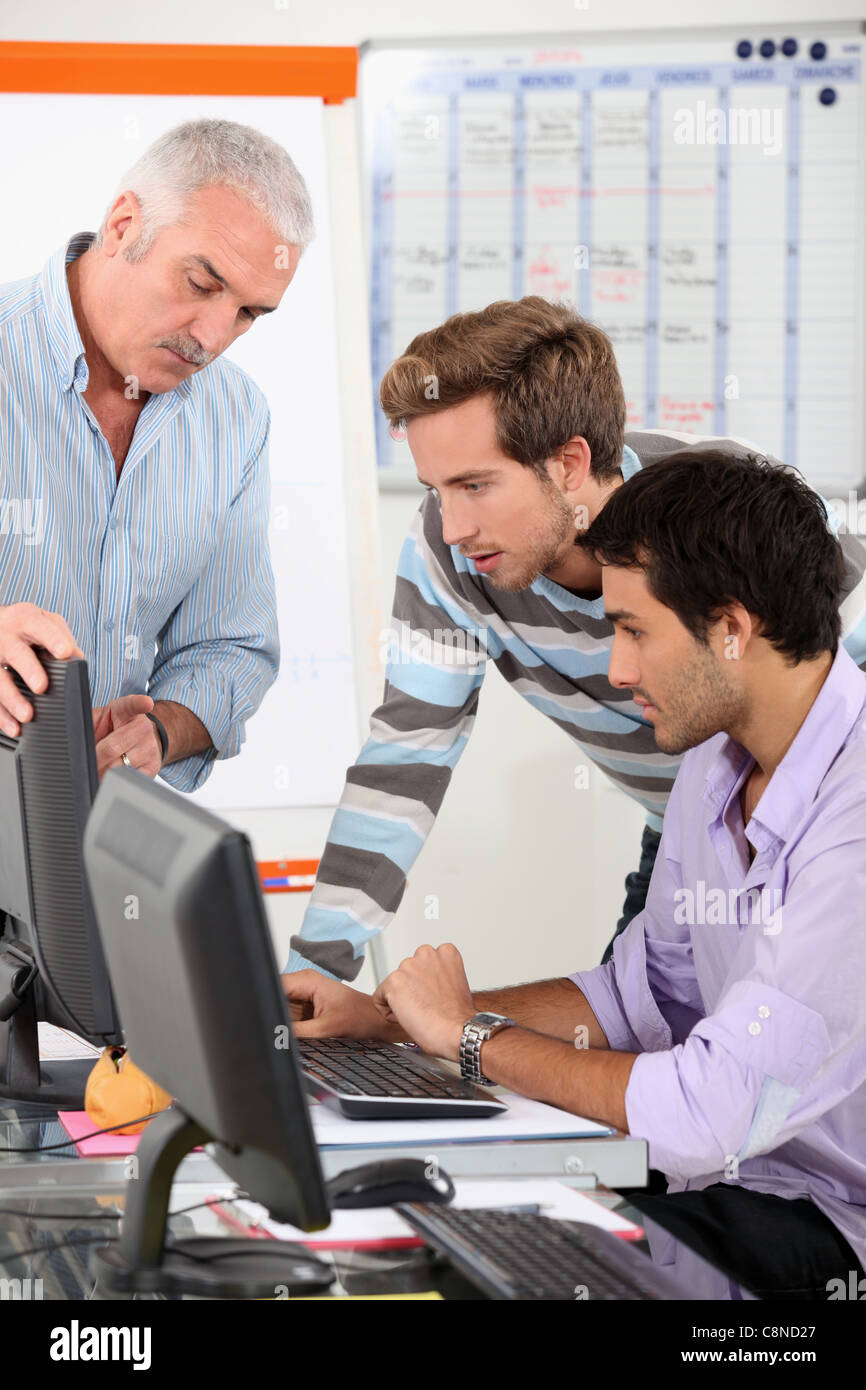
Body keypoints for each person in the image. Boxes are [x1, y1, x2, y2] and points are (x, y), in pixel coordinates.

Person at [285, 450, 866, 1298]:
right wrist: (389, 1021)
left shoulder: (852, 822)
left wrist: (470, 1038)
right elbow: (640, 1002)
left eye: (634, 631)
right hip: (729, 1181)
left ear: (732, 628)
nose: (618, 671)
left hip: (828, 1221)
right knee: (418, 1234)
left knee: (485, 1282)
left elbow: (708, 1116)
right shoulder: (716, 763)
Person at [286, 296, 866, 977]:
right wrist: (315, 973)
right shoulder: (448, 552)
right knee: (620, 1041)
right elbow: (406, 754)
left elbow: (831, 685)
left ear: (568, 463)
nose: (451, 526)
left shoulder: (722, 504)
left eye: (475, 484)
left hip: (816, 832)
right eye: (437, 488)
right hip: (679, 837)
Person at [0, 117, 313, 789]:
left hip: (75, 851)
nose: (213, 335)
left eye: (249, 313)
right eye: (201, 285)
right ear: (122, 225)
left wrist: (163, 729)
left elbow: (231, 648)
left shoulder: (237, 418)